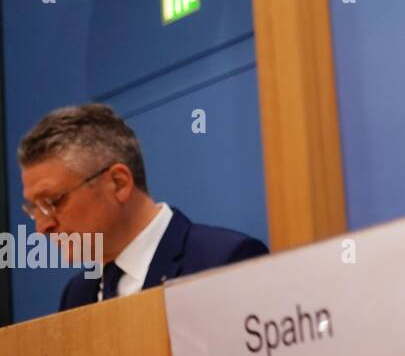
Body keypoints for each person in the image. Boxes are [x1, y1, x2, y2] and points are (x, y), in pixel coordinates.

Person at [17, 103, 269, 311]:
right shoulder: (76, 294)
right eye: (33, 208)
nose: (42, 227)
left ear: (118, 183)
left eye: (52, 202)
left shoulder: (224, 261)